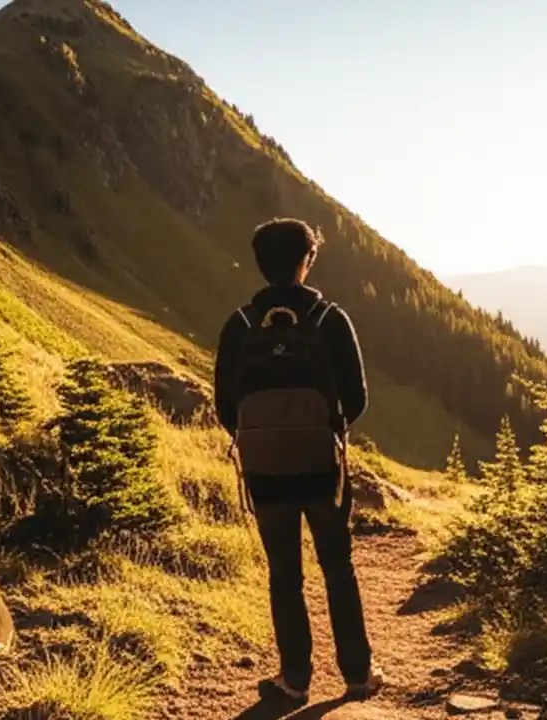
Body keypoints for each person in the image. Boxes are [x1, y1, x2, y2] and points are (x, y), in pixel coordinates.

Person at [214, 217, 384, 705]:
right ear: (307, 260)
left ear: (261, 263)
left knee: (283, 571)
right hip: (322, 467)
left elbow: (226, 403)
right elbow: (357, 398)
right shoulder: (331, 320)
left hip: (266, 472)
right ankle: (357, 674)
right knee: (338, 566)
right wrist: (325, 430)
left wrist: (260, 439)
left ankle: (295, 680)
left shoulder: (241, 325)